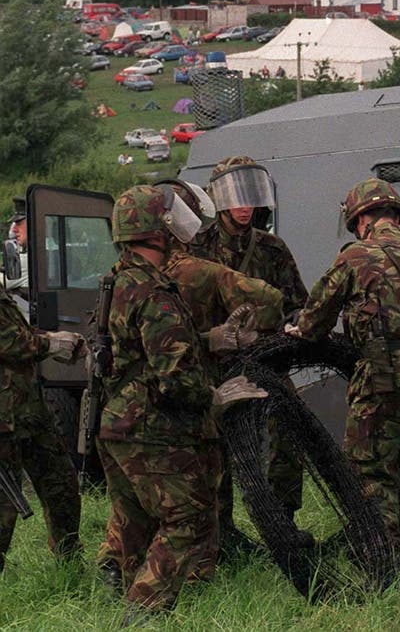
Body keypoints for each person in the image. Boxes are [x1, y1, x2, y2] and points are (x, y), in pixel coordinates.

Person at [99, 185, 265, 621]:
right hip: (152, 427)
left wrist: (210, 338)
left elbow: (133, 351)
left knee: (134, 524)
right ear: (158, 230)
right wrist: (213, 397)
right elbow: (173, 375)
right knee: (186, 521)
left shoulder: (118, 279)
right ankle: (140, 613)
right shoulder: (155, 293)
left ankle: (120, 595)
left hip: (116, 423)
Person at [284, 178, 400, 562]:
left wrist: (298, 329)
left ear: (360, 219)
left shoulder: (354, 256)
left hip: (379, 383)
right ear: (395, 215)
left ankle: (382, 554)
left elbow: (316, 318)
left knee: (371, 471)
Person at [153, 179, 283, 564]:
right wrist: (239, 335)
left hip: (144, 398)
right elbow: (271, 299)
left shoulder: (126, 277)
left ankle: (121, 562)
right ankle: (204, 555)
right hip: (197, 386)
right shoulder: (201, 270)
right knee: (206, 473)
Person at [191, 156, 308, 527]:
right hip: (216, 365)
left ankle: (282, 519)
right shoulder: (198, 246)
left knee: (289, 435)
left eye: (250, 198)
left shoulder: (272, 248)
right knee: (216, 447)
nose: (244, 208)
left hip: (267, 361)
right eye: (235, 198)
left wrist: (290, 327)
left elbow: (297, 303)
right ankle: (221, 529)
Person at [0, 283, 83, 574]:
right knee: (4, 507)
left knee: (62, 486)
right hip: (4, 424)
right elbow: (9, 342)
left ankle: (69, 563)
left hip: (30, 415)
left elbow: (17, 336)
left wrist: (51, 341)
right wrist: (51, 344)